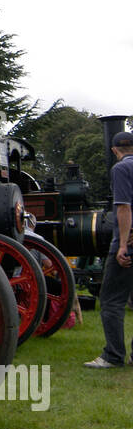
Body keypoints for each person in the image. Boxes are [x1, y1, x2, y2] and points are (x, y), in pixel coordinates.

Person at [84, 130, 133, 368]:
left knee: (111, 300)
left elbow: (123, 208)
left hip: (129, 243)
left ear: (114, 151)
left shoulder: (121, 169)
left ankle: (113, 356)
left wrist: (123, 245)